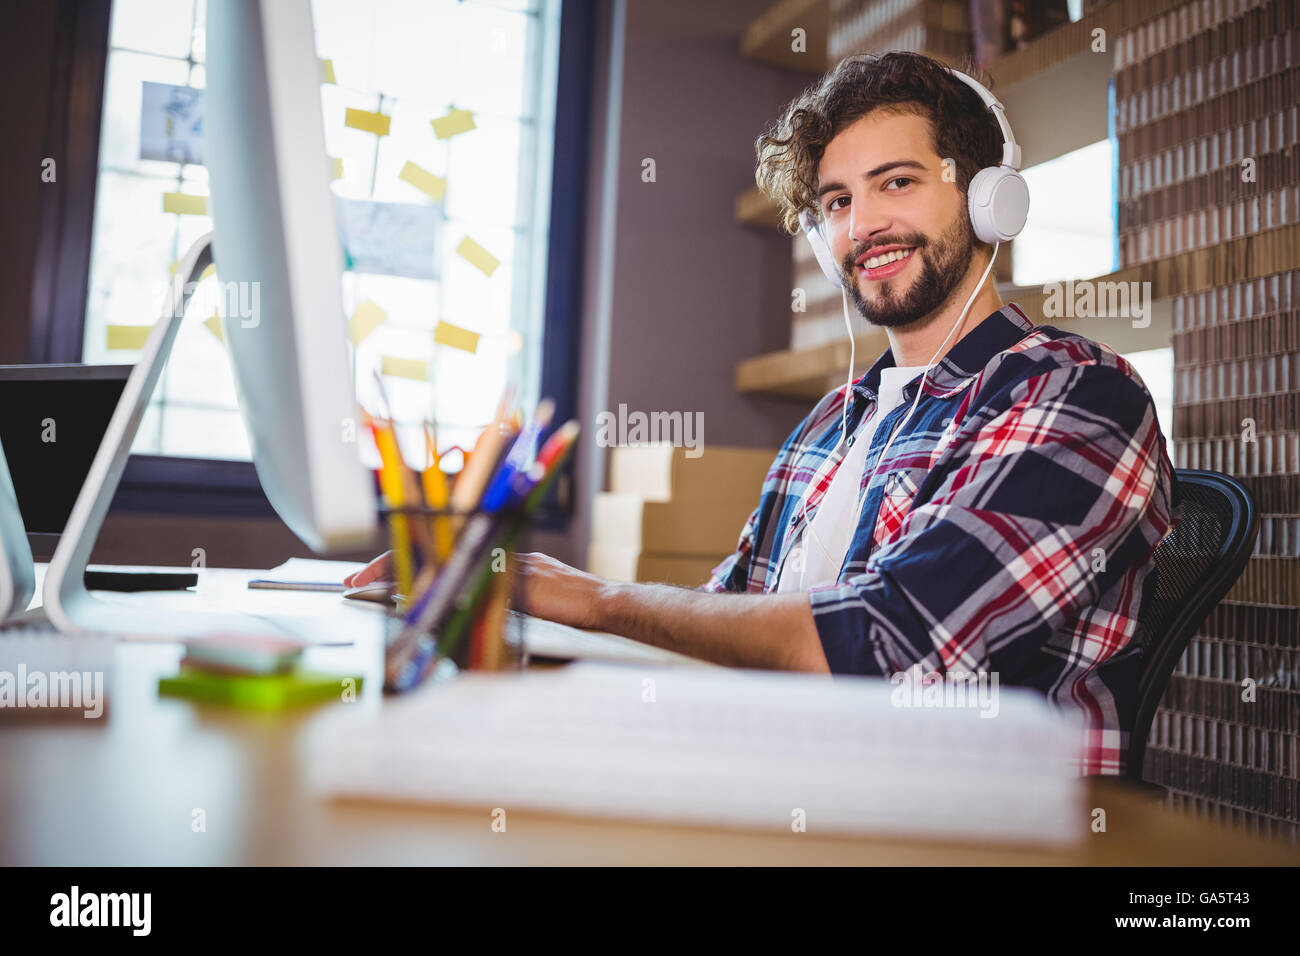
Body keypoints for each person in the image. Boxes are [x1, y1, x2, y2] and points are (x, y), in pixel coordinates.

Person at [348, 51, 1174, 776]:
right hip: (801, 785)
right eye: (839, 201)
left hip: (980, 824)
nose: (864, 225)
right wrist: (500, 608)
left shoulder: (1076, 393)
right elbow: (723, 619)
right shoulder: (830, 426)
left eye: (898, 182)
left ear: (990, 199)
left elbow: (886, 645)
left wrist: (592, 599)